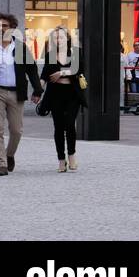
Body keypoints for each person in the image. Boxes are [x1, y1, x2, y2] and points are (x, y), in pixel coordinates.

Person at [0, 13, 42, 176]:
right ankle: (2, 164)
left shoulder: (20, 48)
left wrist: (37, 90)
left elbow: (32, 71)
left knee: (16, 130)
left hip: (15, 92)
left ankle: (9, 154)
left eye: (4, 26)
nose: (0, 29)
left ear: (12, 29)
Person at [41, 26, 84, 173]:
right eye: (55, 37)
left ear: (67, 38)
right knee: (58, 127)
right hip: (55, 94)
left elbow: (79, 70)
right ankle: (61, 159)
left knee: (70, 124)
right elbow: (45, 75)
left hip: (72, 94)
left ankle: (71, 155)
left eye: (60, 37)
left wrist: (61, 72)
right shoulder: (50, 55)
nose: (58, 40)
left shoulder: (75, 53)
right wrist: (37, 90)